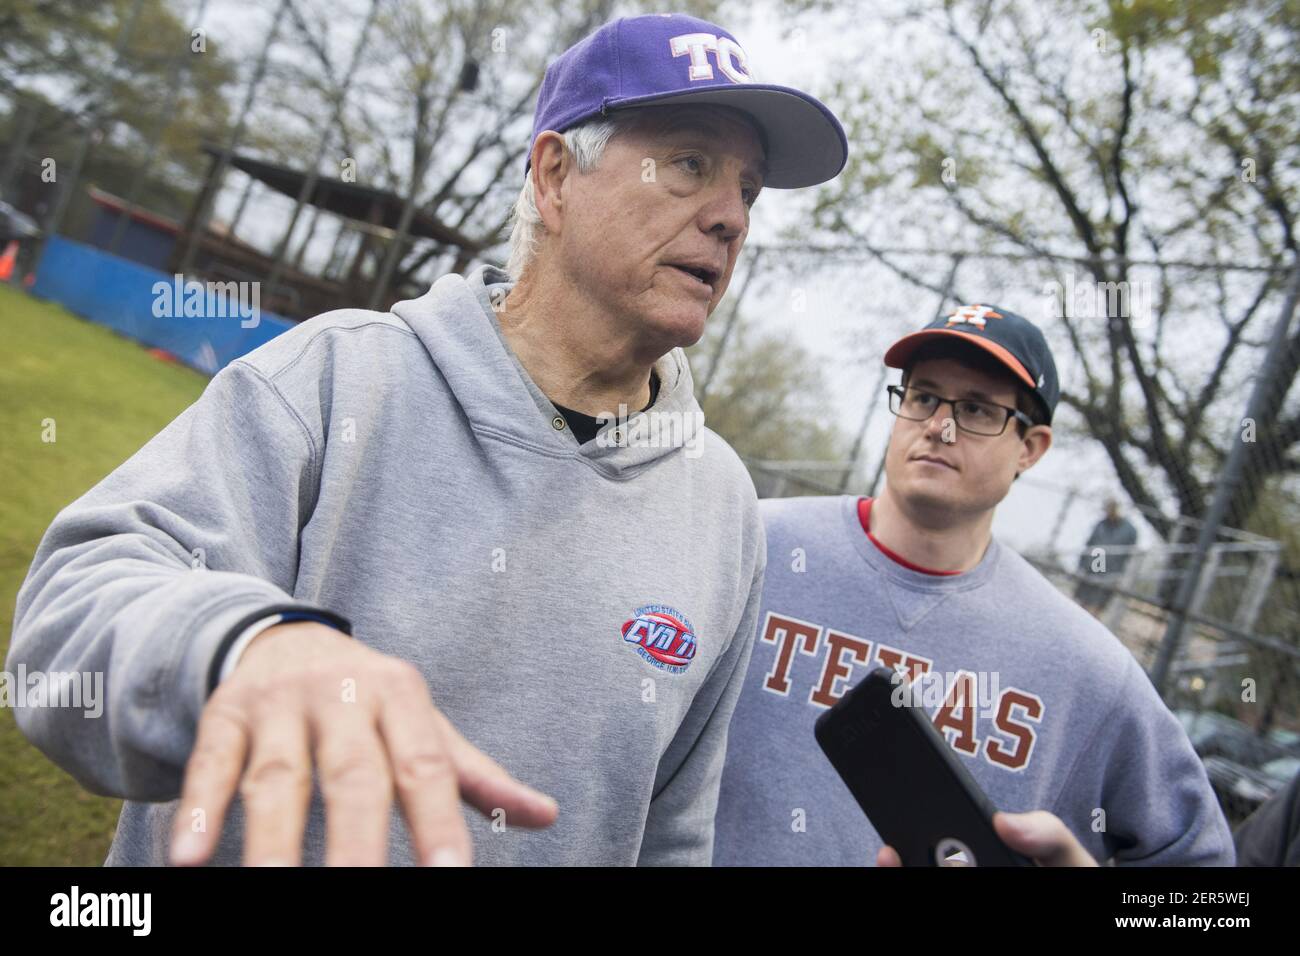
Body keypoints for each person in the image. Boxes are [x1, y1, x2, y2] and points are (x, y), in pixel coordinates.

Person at [7, 13, 848, 866]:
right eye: (690, 165)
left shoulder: (723, 505)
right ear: (555, 178)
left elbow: (670, 832)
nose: (730, 219)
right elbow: (65, 620)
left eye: (747, 187)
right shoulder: (338, 378)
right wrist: (240, 646)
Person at [712, 303, 1235, 866]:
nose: (940, 426)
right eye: (923, 397)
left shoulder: (1085, 667)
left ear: (1030, 448)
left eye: (978, 409)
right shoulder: (751, 544)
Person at [1075, 498, 1139, 617]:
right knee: (1081, 604)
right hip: (1093, 568)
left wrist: (1121, 576)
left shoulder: (1130, 530)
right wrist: (1082, 566)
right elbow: (1089, 544)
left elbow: (1129, 556)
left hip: (1111, 573)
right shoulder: (1100, 525)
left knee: (1097, 608)